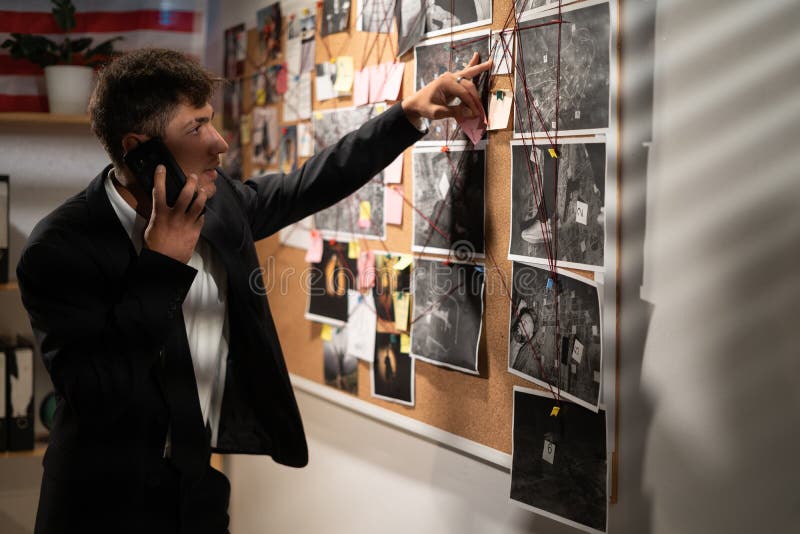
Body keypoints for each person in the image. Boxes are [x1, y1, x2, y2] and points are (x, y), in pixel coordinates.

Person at [16, 47, 491, 534]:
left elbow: (308, 184)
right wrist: (161, 264)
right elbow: (95, 395)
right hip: (99, 504)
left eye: (211, 121)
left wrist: (408, 114)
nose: (220, 144)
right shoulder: (59, 249)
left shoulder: (215, 202)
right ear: (141, 150)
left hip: (196, 492)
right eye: (196, 128)